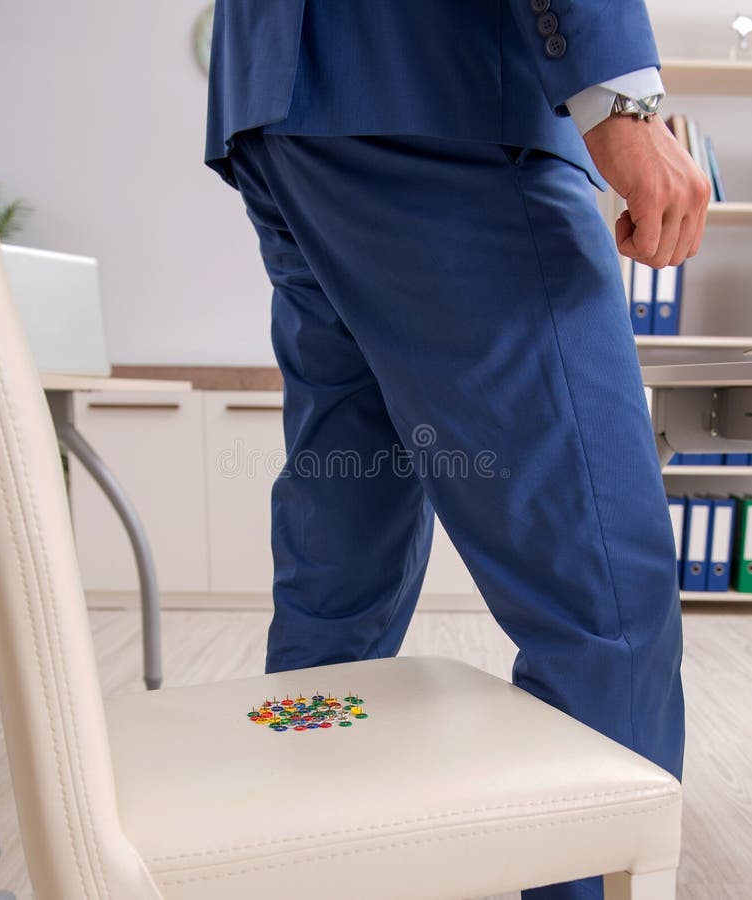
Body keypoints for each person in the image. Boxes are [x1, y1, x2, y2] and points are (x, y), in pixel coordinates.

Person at [204, 3, 710, 898]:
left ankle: (308, 874)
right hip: (445, 99)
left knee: (342, 575)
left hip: (282, 109)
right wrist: (619, 100)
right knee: (606, 608)